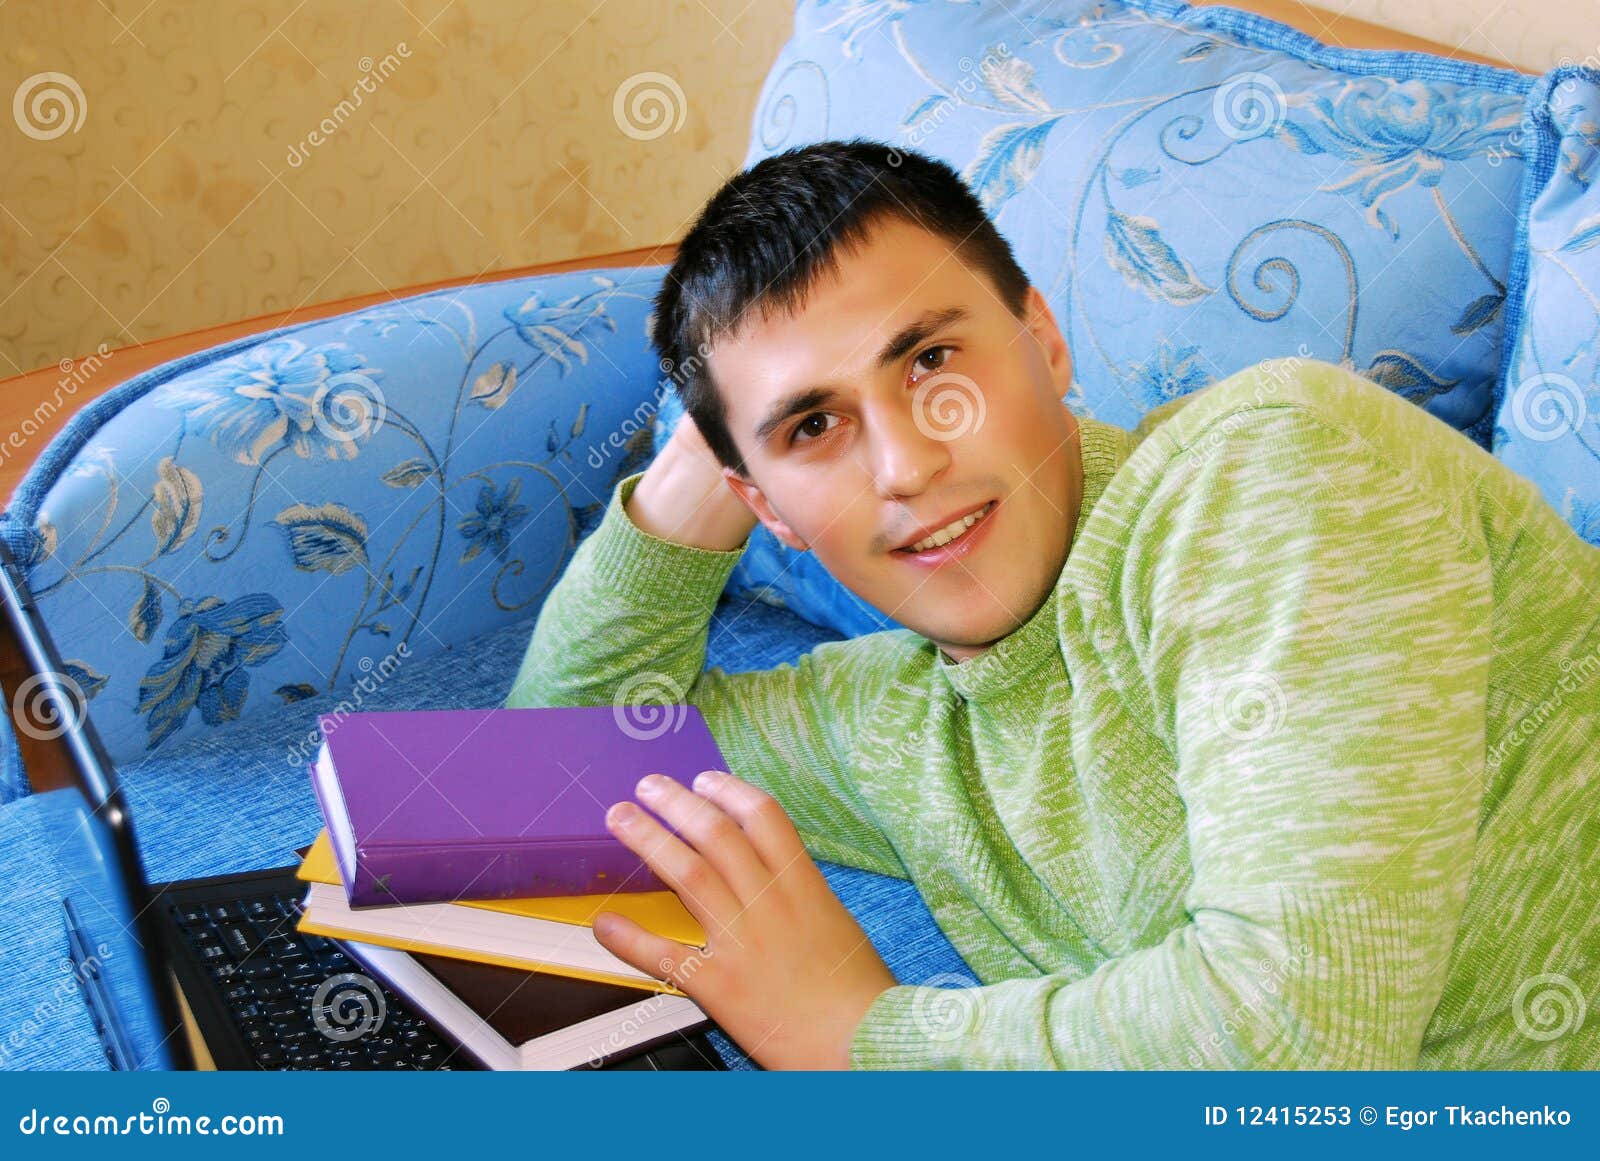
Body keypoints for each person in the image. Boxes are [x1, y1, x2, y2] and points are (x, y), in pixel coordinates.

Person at [506, 139, 1600, 1070]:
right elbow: (532, 781)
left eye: (931, 360)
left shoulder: (1276, 467)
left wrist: (852, 1036)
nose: (903, 465)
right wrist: (691, 495)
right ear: (765, 506)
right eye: (814, 427)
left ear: (1043, 341)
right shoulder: (892, 722)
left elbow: (1301, 1035)